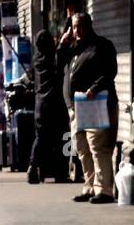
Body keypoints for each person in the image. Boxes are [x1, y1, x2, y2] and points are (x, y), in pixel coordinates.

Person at [57, 12, 118, 203]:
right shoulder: (72, 48)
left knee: (98, 146)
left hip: (96, 103)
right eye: (74, 27)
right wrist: (62, 44)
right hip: (76, 106)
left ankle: (104, 190)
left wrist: (94, 88)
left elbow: (110, 71)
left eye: (81, 26)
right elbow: (57, 67)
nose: (78, 31)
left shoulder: (101, 46)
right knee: (82, 148)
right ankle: (89, 186)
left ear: (89, 26)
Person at [28, 29, 71, 184]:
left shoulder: (37, 60)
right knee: (63, 137)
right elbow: (61, 55)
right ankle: (61, 171)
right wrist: (63, 41)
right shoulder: (53, 58)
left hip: (40, 105)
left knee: (41, 138)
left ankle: (33, 167)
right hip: (56, 104)